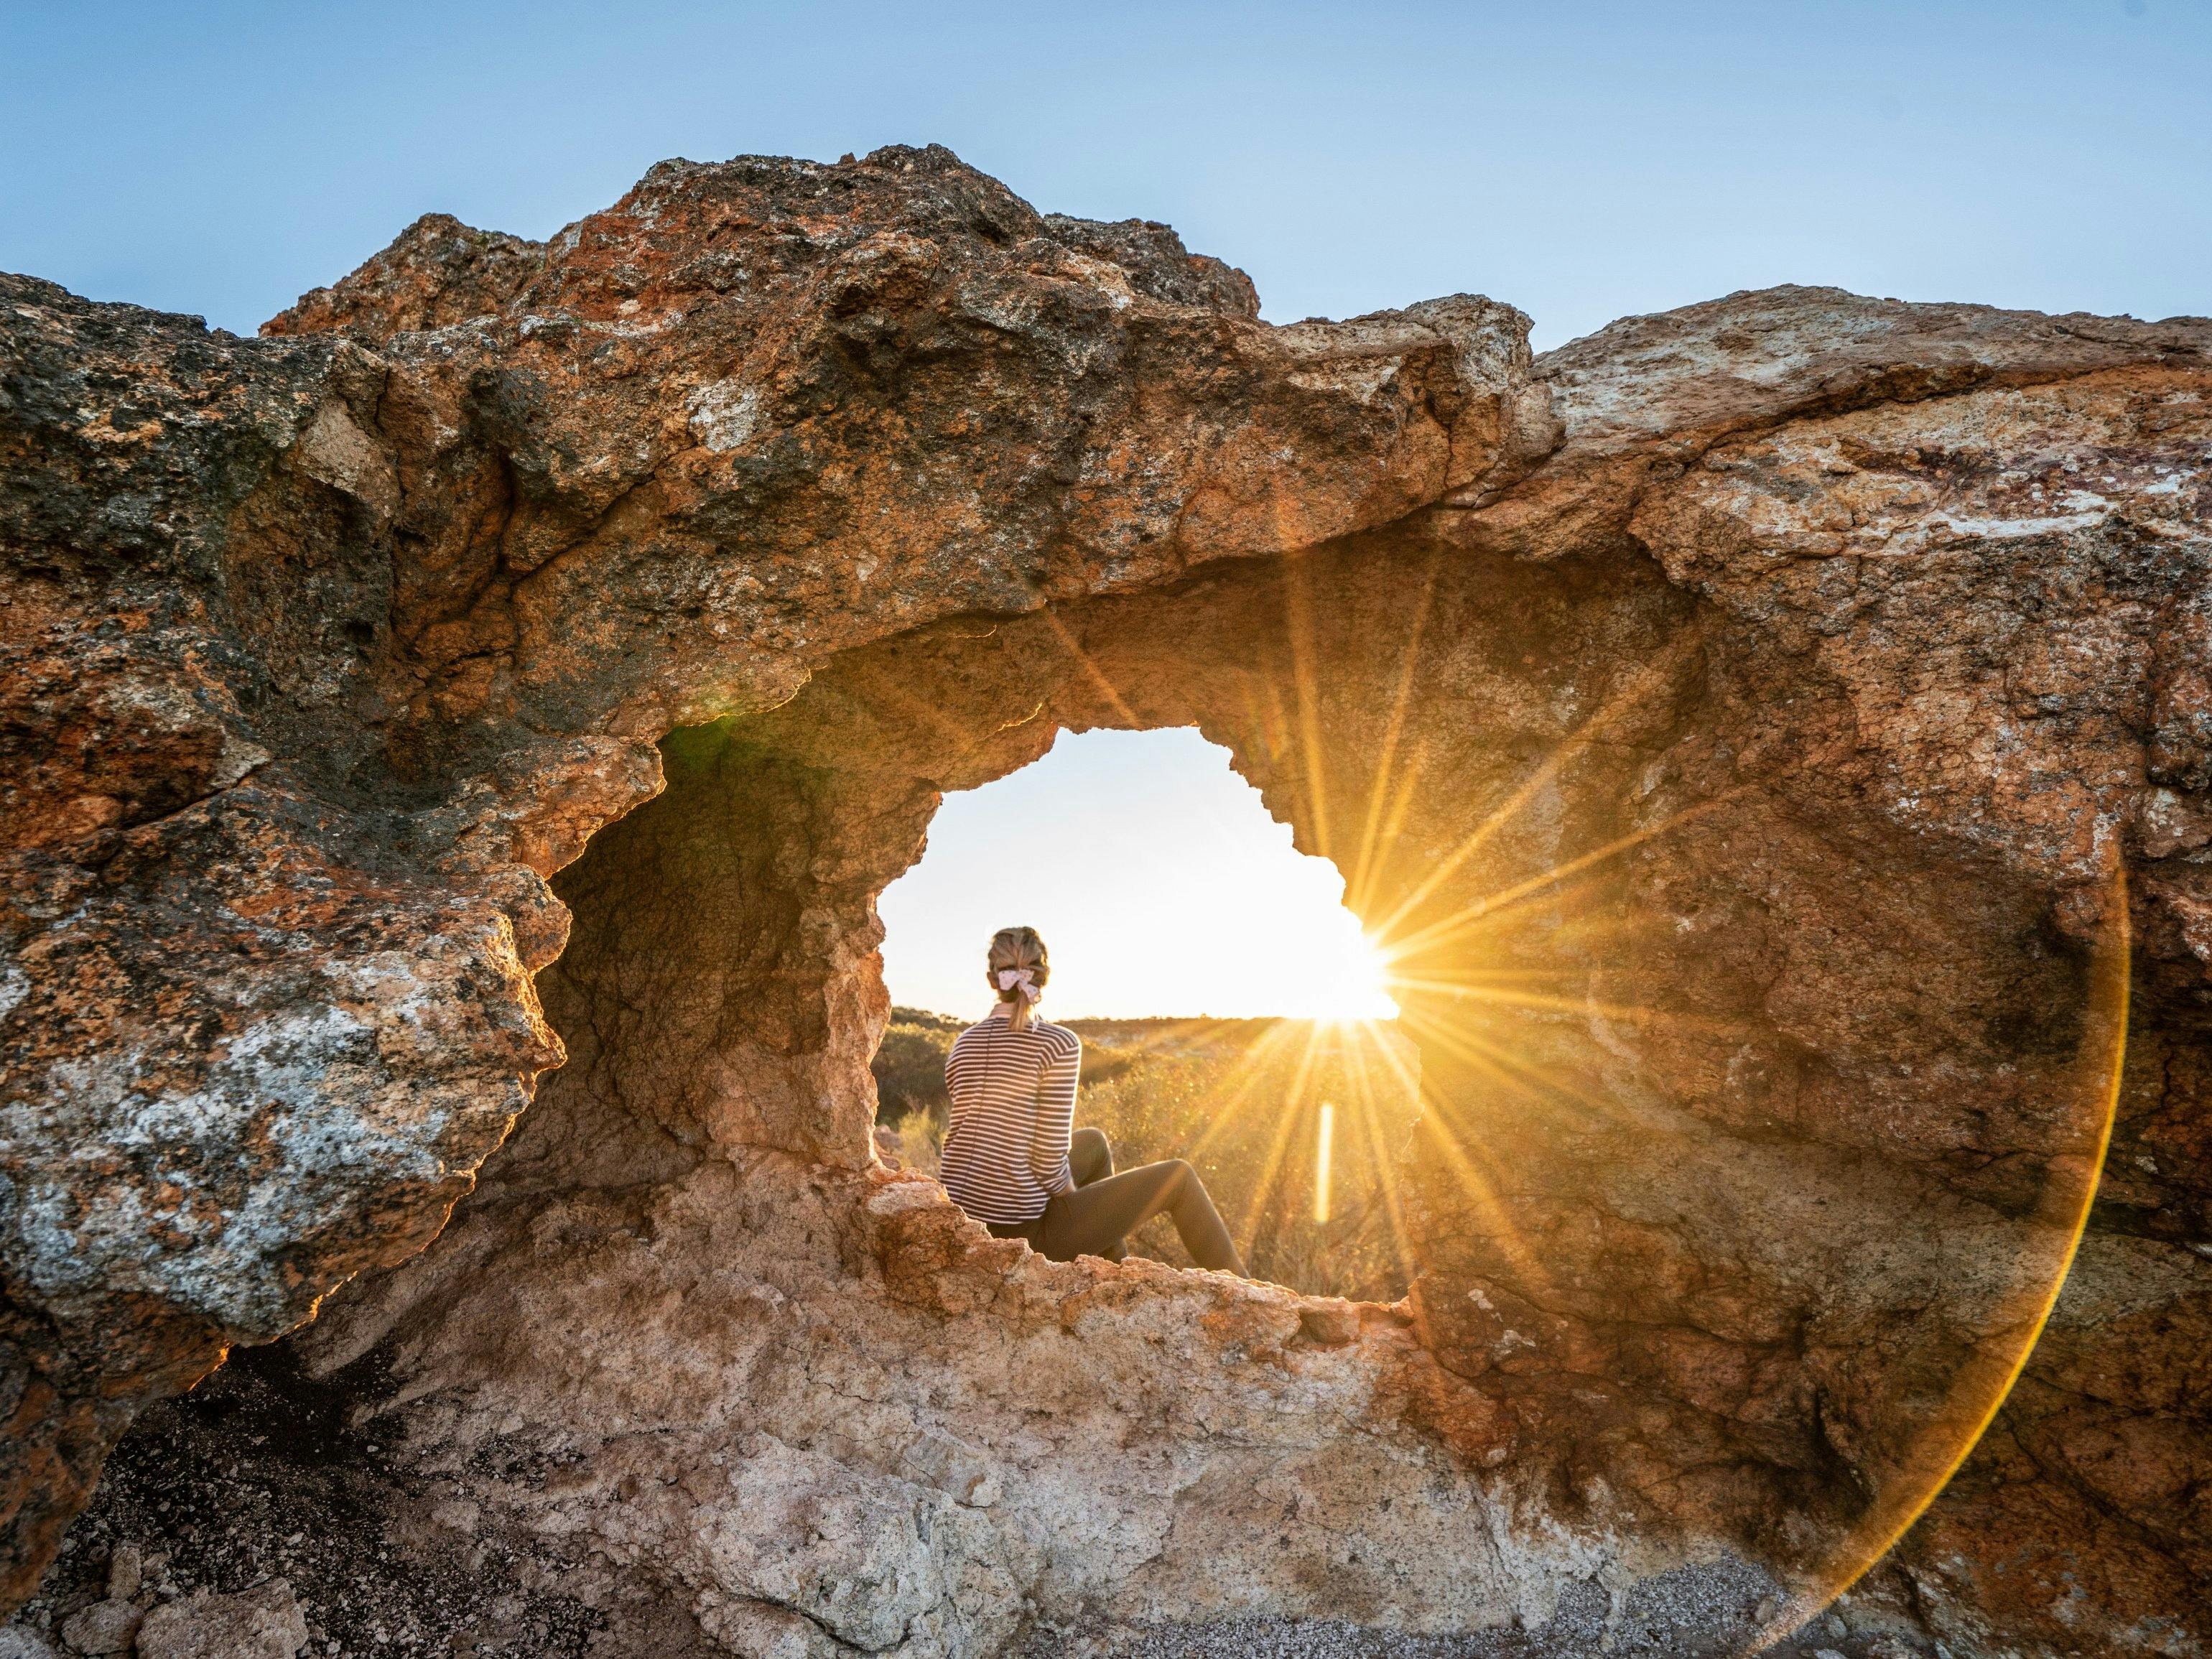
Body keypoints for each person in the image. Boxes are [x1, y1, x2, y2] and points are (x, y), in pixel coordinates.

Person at [938, 926, 1246, 1275]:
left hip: (962, 1215)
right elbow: (1046, 1161)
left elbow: (967, 1134)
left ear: (992, 979)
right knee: (1178, 1177)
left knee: (1094, 1142)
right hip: (1018, 1236)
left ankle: (1111, 1267)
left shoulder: (964, 1043)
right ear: (1044, 977)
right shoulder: (1058, 1043)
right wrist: (1073, 1200)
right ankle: (1250, 1294)